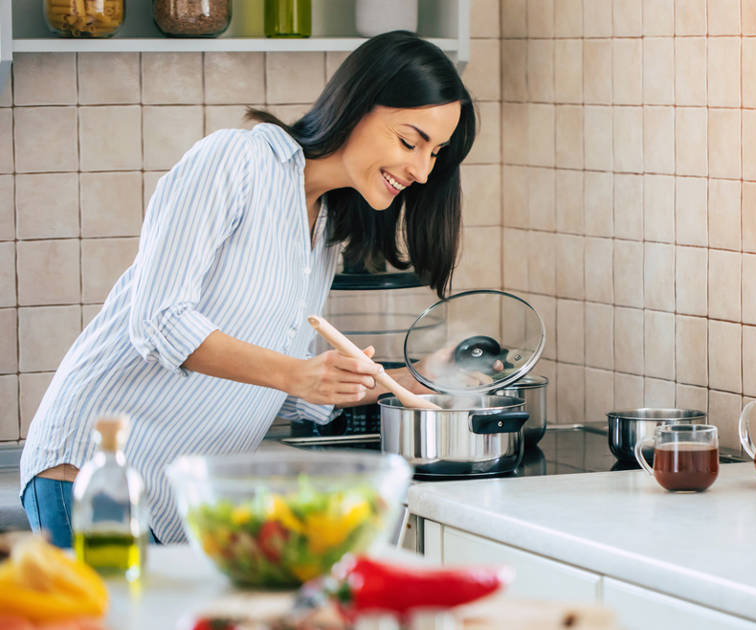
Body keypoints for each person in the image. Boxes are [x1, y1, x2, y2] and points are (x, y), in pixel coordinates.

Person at [19, 31, 476, 546]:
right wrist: (298, 374)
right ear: (357, 105)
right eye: (410, 142)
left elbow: (278, 385)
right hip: (96, 471)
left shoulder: (323, 226)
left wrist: (413, 380)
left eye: (434, 153)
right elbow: (159, 321)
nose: (421, 171)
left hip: (175, 500)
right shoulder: (237, 160)